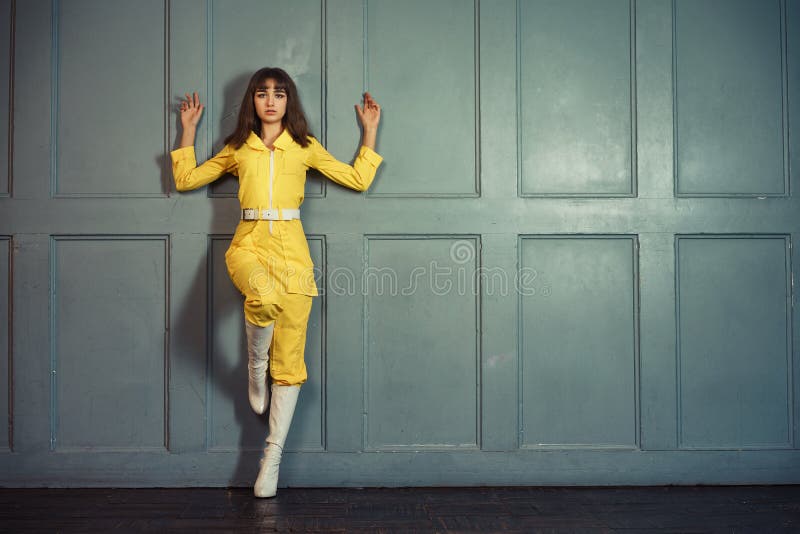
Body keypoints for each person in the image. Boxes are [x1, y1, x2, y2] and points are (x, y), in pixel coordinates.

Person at [171, 67, 382, 498]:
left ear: (289, 102)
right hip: (248, 245)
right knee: (261, 298)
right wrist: (187, 131)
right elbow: (185, 179)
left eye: (279, 94)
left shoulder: (303, 148)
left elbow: (357, 179)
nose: (271, 100)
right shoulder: (238, 148)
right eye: (263, 93)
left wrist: (370, 133)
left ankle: (271, 460)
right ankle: (254, 368)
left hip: (295, 256)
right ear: (253, 100)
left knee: (291, 364)